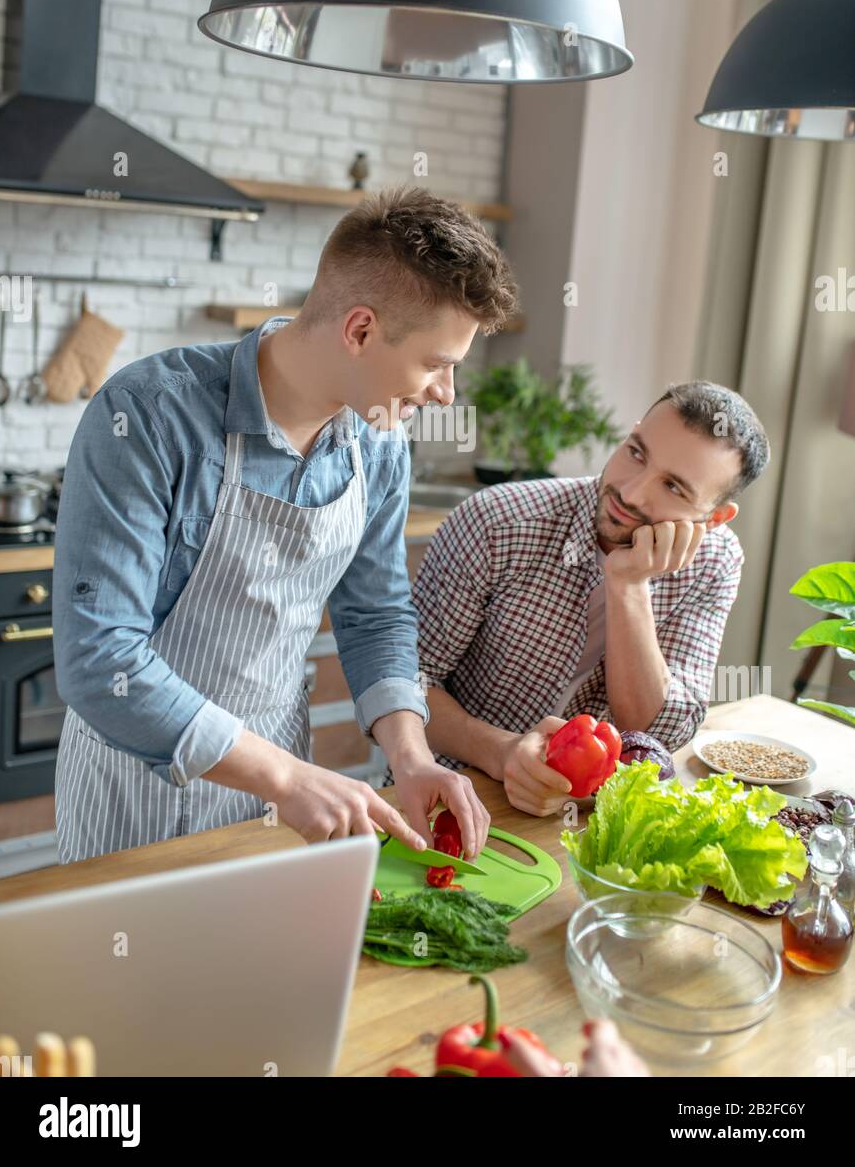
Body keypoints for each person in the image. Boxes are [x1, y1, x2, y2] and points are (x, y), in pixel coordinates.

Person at [52, 187, 518, 862]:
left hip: (283, 790)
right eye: (436, 364)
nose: (446, 393)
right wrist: (286, 776)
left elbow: (377, 616)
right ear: (359, 330)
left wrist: (411, 757)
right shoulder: (150, 414)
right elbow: (99, 660)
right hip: (133, 791)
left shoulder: (380, 442)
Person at [410, 382, 770, 815]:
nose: (632, 493)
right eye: (637, 452)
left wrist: (629, 586)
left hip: (590, 818)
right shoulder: (498, 521)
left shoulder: (715, 560)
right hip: (454, 796)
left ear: (713, 518)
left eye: (673, 487)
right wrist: (502, 753)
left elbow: (659, 731)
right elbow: (404, 683)